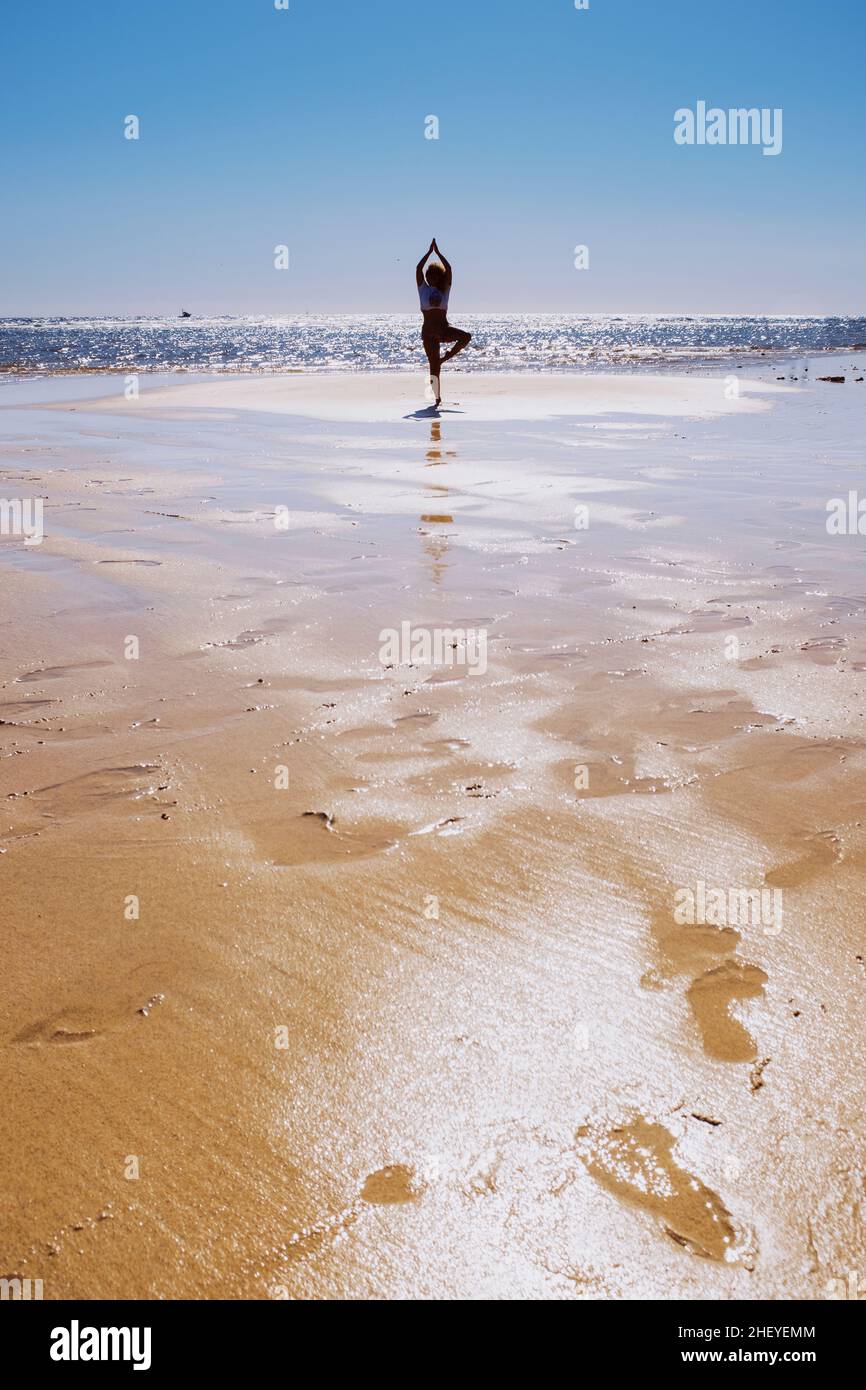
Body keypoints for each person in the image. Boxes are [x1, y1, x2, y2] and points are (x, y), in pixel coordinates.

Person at [415, 238, 471, 404]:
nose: (431, 278)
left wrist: (438, 253)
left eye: (434, 275)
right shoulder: (422, 289)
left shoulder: (444, 289)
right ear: (427, 276)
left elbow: (449, 268)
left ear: (439, 277)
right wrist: (428, 253)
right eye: (429, 275)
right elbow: (418, 268)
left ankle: (445, 358)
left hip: (444, 329)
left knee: (466, 337)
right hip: (429, 333)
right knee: (434, 367)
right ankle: (437, 397)